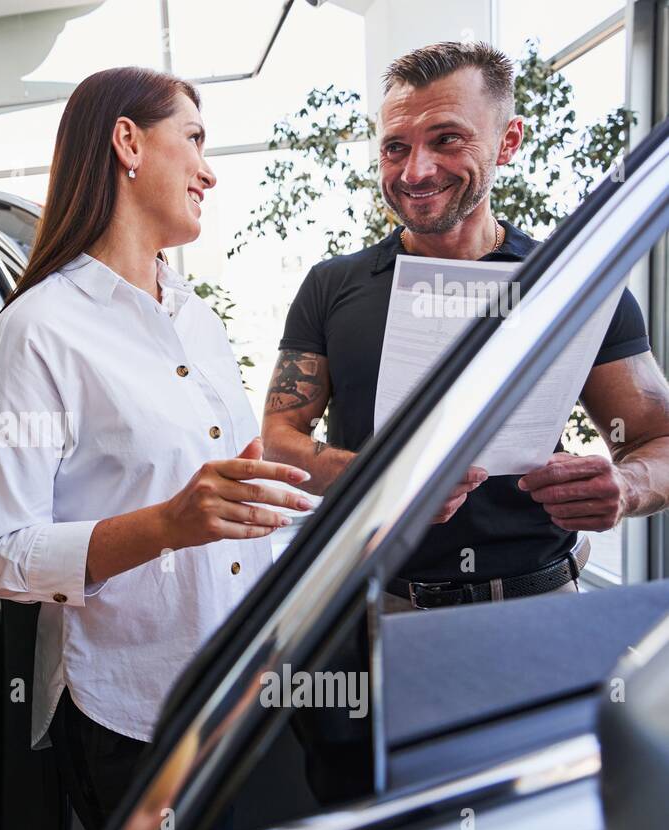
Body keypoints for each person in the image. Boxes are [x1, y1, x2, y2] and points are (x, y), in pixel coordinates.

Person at [0, 66, 314, 830]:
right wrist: (166, 524)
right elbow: (3, 554)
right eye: (193, 139)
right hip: (141, 717)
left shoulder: (199, 320)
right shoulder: (32, 338)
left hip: (253, 692)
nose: (209, 170)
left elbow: (234, 503)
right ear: (127, 141)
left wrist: (356, 506)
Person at [264, 41, 669, 613]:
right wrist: (378, 478)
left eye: (446, 139)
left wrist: (625, 488)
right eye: (395, 148)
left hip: (538, 605)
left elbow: (657, 438)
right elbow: (280, 442)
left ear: (508, 142)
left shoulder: (575, 284)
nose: (416, 170)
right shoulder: (332, 285)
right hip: (368, 608)